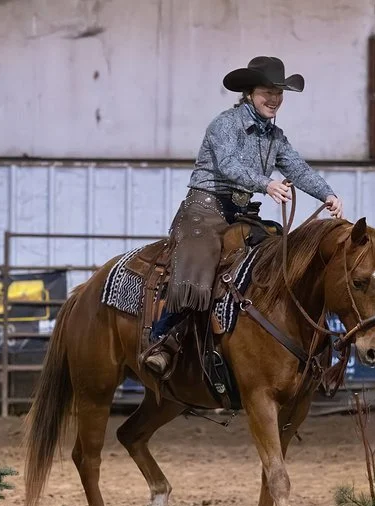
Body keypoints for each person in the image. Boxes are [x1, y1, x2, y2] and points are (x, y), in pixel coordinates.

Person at [143, 56, 344, 376]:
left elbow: (298, 169)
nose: (275, 99)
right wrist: (266, 184)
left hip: (240, 213)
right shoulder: (225, 124)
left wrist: (327, 194)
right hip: (204, 209)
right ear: (250, 92)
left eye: (279, 93)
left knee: (281, 251)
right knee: (202, 260)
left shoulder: (275, 137)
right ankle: (164, 339)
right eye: (268, 91)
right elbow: (227, 165)